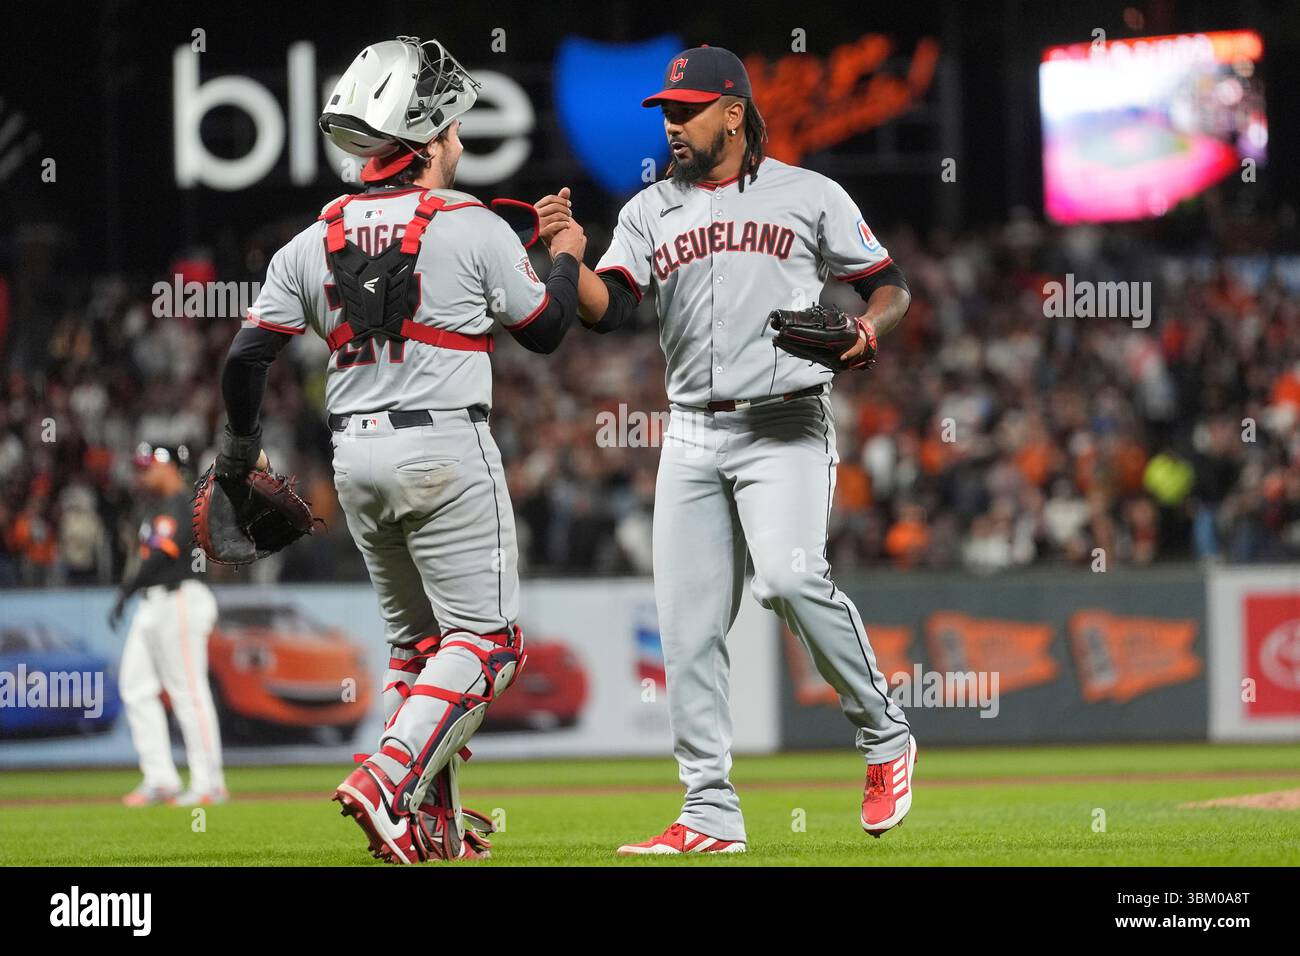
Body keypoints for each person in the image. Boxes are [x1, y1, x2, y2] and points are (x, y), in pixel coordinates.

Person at [536, 45, 917, 854]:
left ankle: (884, 733)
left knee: (788, 577)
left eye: (687, 110)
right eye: (667, 113)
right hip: (693, 431)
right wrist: (569, 254)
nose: (672, 125)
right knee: (686, 629)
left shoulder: (808, 194)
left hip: (784, 422)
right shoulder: (646, 211)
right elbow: (609, 309)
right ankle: (708, 812)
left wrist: (865, 329)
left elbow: (890, 285)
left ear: (734, 113)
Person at [217, 36, 586, 863]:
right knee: (488, 646)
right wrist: (565, 256)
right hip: (445, 446)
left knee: (419, 652)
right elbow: (550, 329)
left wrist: (240, 456)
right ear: (421, 147)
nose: (459, 143)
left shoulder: (308, 242)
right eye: (452, 132)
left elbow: (245, 359)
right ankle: (387, 778)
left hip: (357, 461)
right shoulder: (473, 225)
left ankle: (429, 827)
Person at [111, 442, 226, 807]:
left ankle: (210, 783)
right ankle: (161, 778)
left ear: (172, 467)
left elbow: (163, 553)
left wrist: (126, 588)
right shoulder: (154, 508)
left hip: (180, 599)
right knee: (135, 686)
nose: (144, 472)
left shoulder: (183, 502)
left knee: (188, 692)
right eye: (141, 466)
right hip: (153, 602)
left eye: (151, 465)